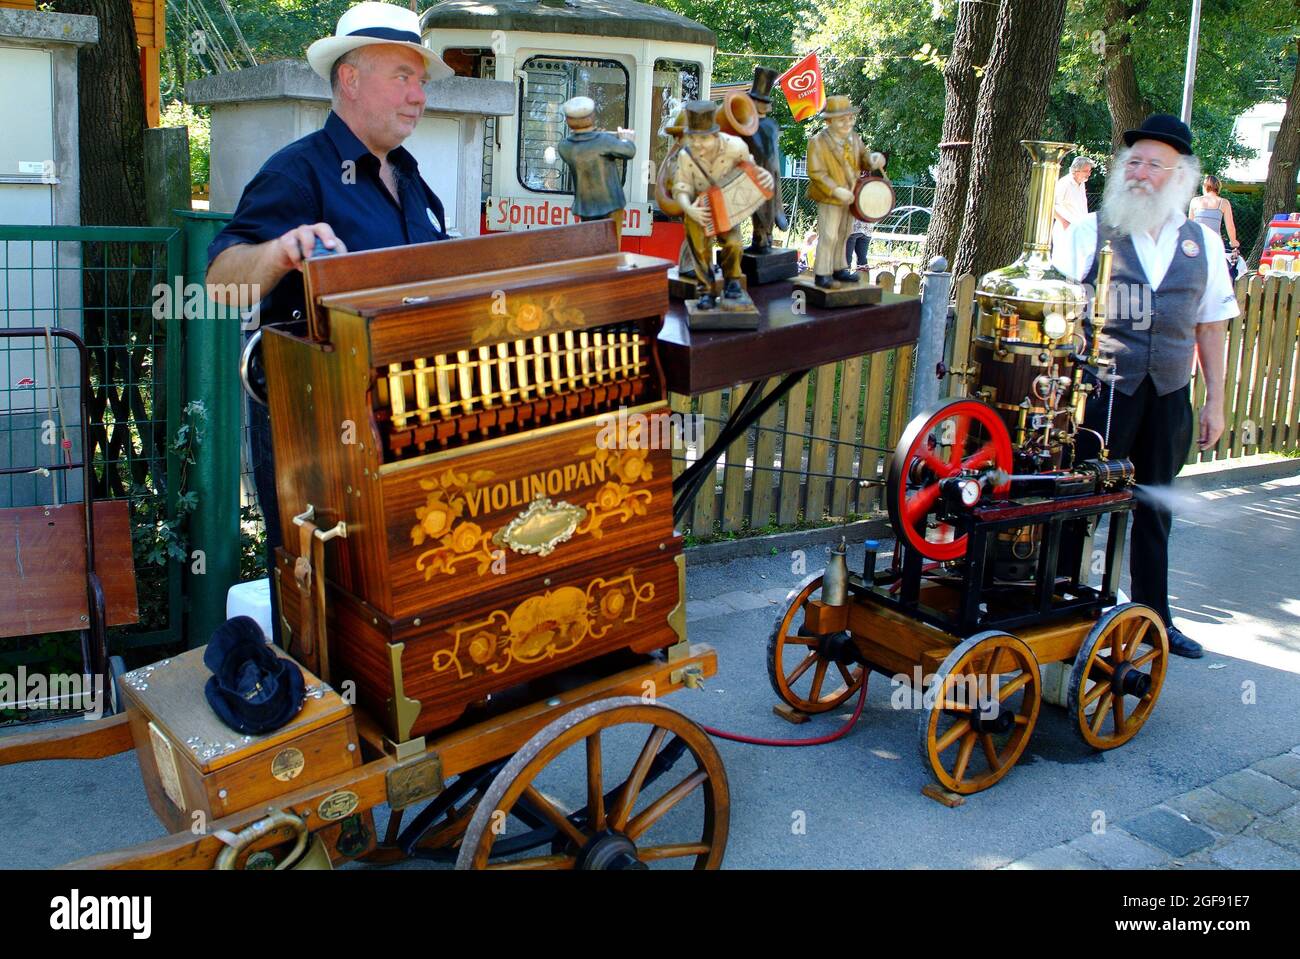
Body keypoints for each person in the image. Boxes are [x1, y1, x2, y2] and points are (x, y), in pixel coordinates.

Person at [206, 1, 454, 645]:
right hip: (313, 438)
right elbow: (221, 281)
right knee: (323, 607)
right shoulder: (299, 170)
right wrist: (282, 250)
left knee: (404, 592)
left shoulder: (411, 179)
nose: (419, 95)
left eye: (421, 81)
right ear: (350, 78)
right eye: (403, 76)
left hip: (408, 422)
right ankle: (323, 729)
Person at [1054, 114, 1240, 659]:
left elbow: (1211, 327)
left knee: (1156, 510)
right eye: (1132, 161)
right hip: (1103, 390)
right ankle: (1067, 610)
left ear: (1181, 175)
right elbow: (1058, 309)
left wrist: (1216, 403)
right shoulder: (1092, 230)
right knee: (1079, 501)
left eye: (1152, 164)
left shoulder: (1201, 244)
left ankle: (1155, 619)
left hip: (1168, 394)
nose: (1138, 171)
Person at [672, 100, 773, 308]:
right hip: (697, 206)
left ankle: (732, 282)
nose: (697, 144)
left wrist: (765, 176)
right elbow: (681, 187)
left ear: (715, 135)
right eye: (693, 138)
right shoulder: (686, 155)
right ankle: (706, 290)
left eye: (703, 139)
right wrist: (689, 209)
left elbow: (751, 168)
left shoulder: (735, 147)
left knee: (734, 243)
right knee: (699, 250)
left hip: (725, 205)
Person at [805, 95, 884, 288]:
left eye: (850, 118)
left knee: (845, 232)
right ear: (829, 121)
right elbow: (816, 173)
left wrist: (874, 159)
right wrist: (836, 190)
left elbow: (865, 159)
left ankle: (840, 268)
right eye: (842, 119)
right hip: (829, 196)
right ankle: (822, 273)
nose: (848, 122)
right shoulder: (818, 142)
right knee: (829, 234)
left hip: (850, 195)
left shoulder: (854, 139)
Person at [556, 96, 636, 244]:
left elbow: (587, 145)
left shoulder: (565, 146)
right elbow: (629, 151)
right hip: (611, 204)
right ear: (592, 117)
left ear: (568, 121)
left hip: (585, 205)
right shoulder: (604, 140)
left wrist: (597, 134)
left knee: (591, 244)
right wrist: (626, 138)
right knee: (611, 244)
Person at [741, 67, 788, 255]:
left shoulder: (770, 125)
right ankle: (759, 238)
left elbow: (771, 150)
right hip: (754, 171)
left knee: (771, 206)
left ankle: (766, 237)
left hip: (771, 170)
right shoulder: (747, 124)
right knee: (758, 208)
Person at [1189, 174, 1242, 275]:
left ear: (1204, 186)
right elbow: (1230, 227)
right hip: (1214, 244)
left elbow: (1189, 225)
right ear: (1218, 187)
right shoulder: (1223, 203)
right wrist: (1234, 242)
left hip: (1196, 243)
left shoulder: (1195, 201)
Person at [1052, 155, 1093, 250]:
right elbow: (1051, 206)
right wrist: (1064, 223)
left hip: (1079, 230)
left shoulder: (1082, 183)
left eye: (1090, 171)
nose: (1089, 174)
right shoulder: (1064, 183)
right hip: (1065, 230)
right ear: (1075, 170)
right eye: (1086, 171)